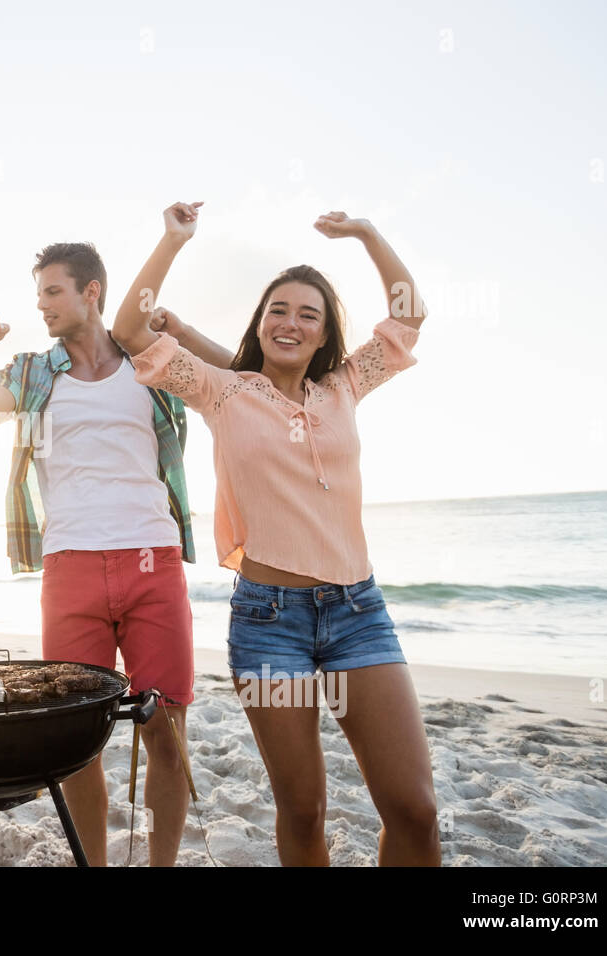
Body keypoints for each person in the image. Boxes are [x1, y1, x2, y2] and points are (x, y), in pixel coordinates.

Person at [112, 201, 441, 866]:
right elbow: (127, 327)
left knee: (415, 808)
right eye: (278, 311)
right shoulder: (223, 392)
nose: (290, 322)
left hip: (360, 614)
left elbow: (408, 315)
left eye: (307, 314)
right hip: (269, 623)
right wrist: (173, 240)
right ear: (260, 325)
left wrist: (368, 234)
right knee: (303, 809)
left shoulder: (345, 387)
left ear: (324, 336)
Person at [0, 243, 210, 867]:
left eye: (52, 292)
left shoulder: (150, 364)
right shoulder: (36, 372)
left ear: (92, 292)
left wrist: (172, 237)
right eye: (38, 293)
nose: (41, 304)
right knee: (77, 739)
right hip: (70, 571)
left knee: (166, 732)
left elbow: (226, 384)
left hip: (153, 563)